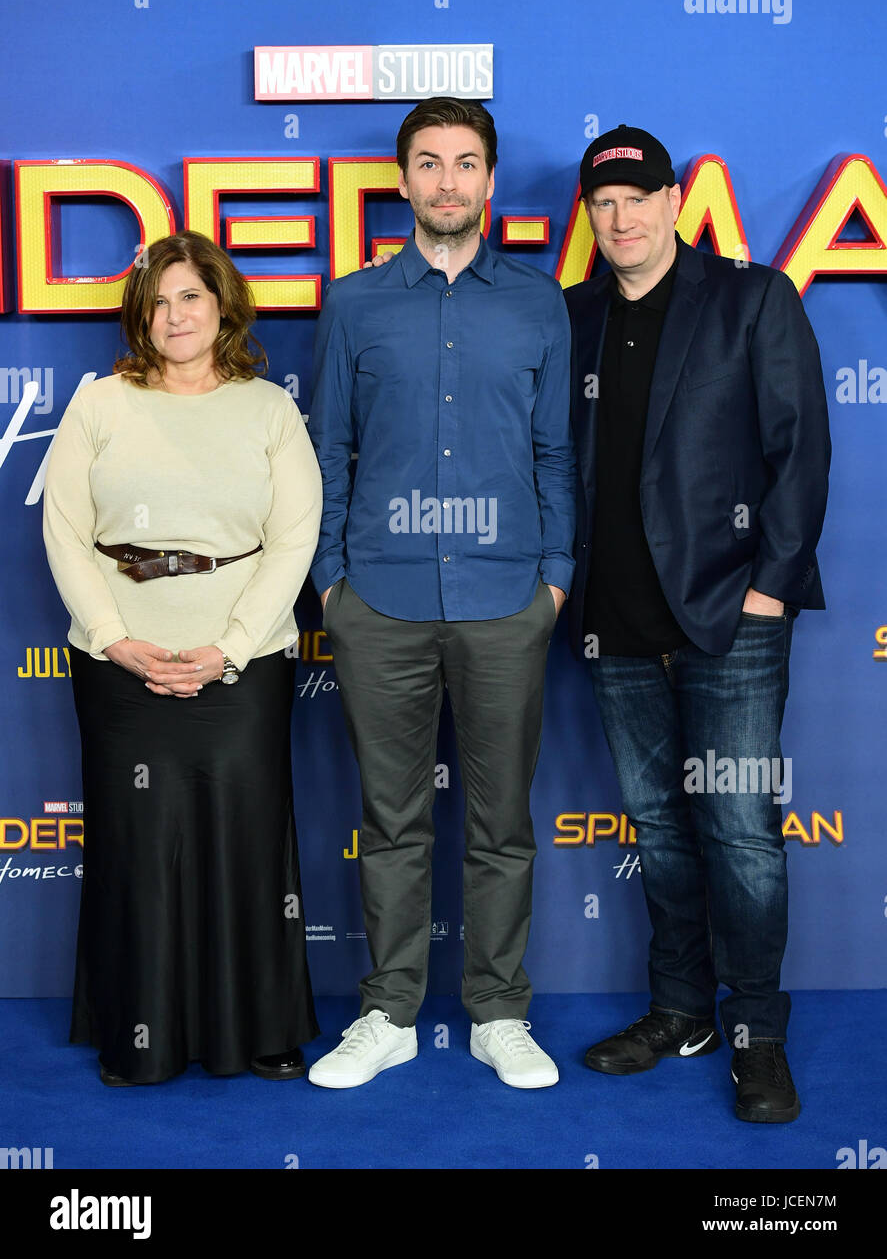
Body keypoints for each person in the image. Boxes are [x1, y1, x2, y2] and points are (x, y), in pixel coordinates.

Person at [307, 97, 576, 1089]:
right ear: (404, 180)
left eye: (465, 163)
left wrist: (555, 580)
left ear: (490, 180)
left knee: (501, 823)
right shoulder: (354, 302)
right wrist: (330, 582)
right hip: (377, 601)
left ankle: (499, 1012)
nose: (447, 181)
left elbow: (554, 450)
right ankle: (388, 1011)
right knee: (392, 822)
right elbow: (327, 447)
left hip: (509, 602)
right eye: (428, 163)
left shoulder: (537, 301)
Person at [565, 125, 830, 1122]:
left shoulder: (748, 297)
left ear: (673, 200)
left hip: (732, 620)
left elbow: (798, 449)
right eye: (603, 202)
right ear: (588, 213)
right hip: (615, 628)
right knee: (661, 834)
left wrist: (768, 585)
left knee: (741, 835)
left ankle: (757, 1032)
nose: (621, 216)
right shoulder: (574, 317)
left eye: (638, 196)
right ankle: (680, 1011)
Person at [43, 230, 323, 1086]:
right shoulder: (100, 404)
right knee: (138, 841)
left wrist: (228, 650)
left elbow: (294, 541)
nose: (175, 314)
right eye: (159, 301)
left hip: (241, 663)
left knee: (247, 842)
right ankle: (141, 1038)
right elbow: (62, 529)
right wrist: (116, 641)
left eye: (191, 296)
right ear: (139, 315)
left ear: (222, 305)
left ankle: (261, 1027)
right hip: (120, 663)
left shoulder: (268, 409)